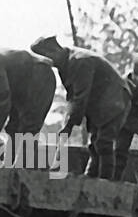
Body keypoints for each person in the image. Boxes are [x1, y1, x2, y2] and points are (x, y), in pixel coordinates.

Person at [30, 35, 131, 180]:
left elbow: (80, 96)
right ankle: (90, 178)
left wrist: (70, 125)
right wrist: (67, 123)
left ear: (54, 51)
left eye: (47, 56)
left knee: (103, 143)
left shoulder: (79, 61)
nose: (48, 63)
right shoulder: (65, 65)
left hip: (114, 100)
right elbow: (72, 97)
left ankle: (106, 185)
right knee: (94, 145)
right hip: (100, 103)